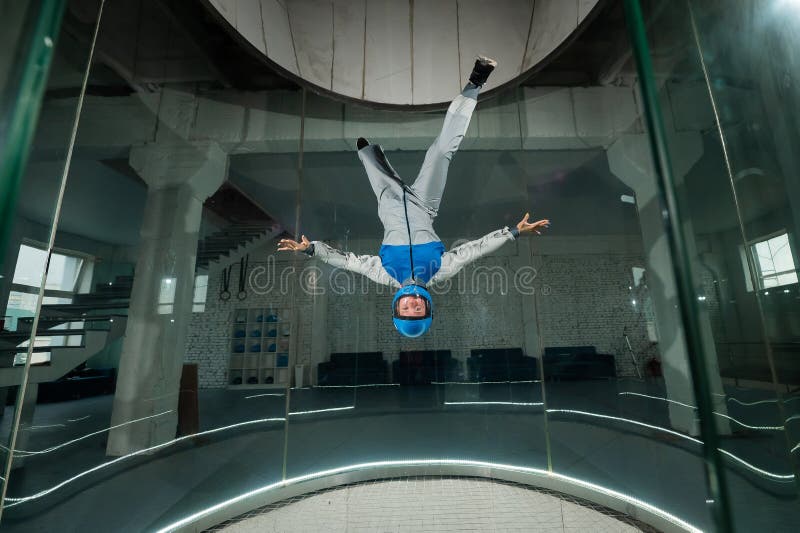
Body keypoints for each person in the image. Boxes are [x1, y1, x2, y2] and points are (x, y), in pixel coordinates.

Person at [278, 57, 550, 337]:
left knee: (368, 157)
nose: (411, 304)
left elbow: (347, 261)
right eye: (417, 309)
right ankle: (476, 83)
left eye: (405, 309)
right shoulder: (439, 272)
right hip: (425, 205)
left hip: (390, 204)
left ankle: (370, 155)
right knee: (441, 153)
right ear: (428, 306)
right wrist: (513, 232)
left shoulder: (384, 274)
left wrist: (312, 250)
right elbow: (476, 250)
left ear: (396, 307)